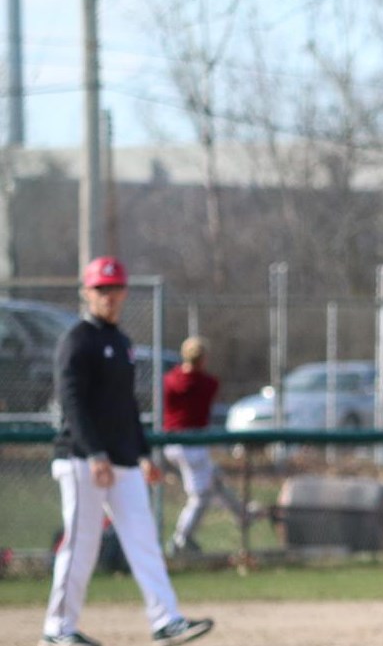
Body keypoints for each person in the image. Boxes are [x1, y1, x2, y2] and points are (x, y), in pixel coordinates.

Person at [43, 256, 215, 646]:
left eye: (115, 287)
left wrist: (142, 454)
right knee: (81, 544)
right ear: (87, 292)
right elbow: (71, 403)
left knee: (143, 539)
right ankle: (57, 629)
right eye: (101, 289)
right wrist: (96, 453)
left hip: (122, 459)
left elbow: (126, 407)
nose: (110, 295)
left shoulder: (120, 342)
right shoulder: (78, 340)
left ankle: (166, 620)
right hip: (83, 458)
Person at [162, 336, 254, 555]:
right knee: (201, 496)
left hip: (171, 444)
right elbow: (204, 383)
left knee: (215, 478)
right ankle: (180, 540)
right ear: (202, 359)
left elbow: (176, 379)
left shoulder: (170, 379)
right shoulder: (208, 383)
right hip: (191, 444)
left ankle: (241, 514)